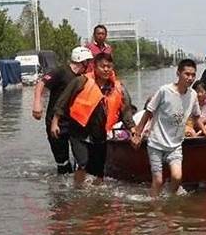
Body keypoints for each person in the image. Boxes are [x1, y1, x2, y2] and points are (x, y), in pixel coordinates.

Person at [51, 53, 138, 185]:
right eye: (103, 66)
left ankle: (97, 199)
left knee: (98, 170)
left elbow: (126, 112)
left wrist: (132, 130)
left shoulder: (118, 88)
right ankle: (78, 191)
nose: (106, 69)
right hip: (78, 131)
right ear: (94, 67)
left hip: (100, 134)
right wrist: (55, 122)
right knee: (83, 163)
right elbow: (63, 101)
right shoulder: (81, 81)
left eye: (109, 66)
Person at [135, 59, 206, 197]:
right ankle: (155, 207)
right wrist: (137, 133)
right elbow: (149, 111)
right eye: (187, 74)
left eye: (193, 75)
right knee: (158, 181)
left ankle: (167, 200)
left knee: (177, 178)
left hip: (175, 144)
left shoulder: (193, 95)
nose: (190, 78)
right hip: (156, 143)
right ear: (178, 73)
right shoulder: (164, 91)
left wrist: (205, 130)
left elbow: (196, 116)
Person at [32, 46, 93, 174]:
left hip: (74, 122)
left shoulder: (83, 77)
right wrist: (37, 103)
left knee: (83, 159)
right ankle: (62, 186)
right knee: (62, 162)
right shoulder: (61, 72)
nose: (89, 64)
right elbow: (41, 83)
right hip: (56, 122)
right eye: (88, 61)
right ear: (81, 61)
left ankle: (79, 182)